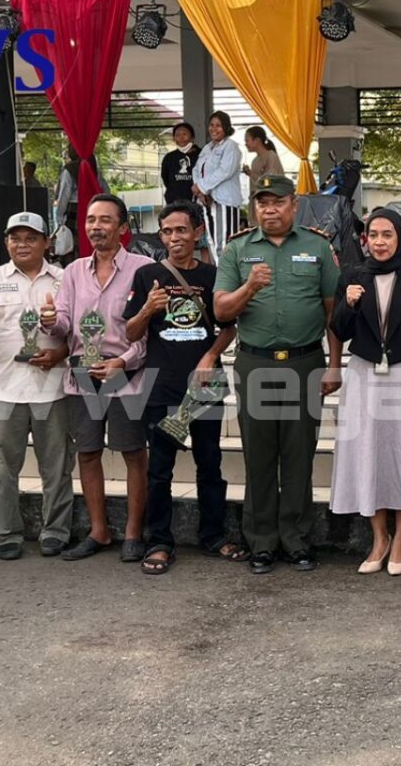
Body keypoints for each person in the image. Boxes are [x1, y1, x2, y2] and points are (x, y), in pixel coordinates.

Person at [213, 173, 343, 575]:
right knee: (260, 454)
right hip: (256, 363)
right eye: (263, 203)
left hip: (305, 363)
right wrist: (250, 287)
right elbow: (221, 311)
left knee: (299, 454)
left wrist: (335, 363)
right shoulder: (236, 250)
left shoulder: (318, 246)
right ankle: (262, 542)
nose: (270, 209)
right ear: (255, 208)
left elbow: (332, 311)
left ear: (294, 205)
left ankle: (297, 540)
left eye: (278, 202)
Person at [122, 201, 243, 576]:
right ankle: (159, 540)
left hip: (206, 383)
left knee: (211, 464)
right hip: (162, 385)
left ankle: (213, 534)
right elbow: (130, 332)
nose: (175, 237)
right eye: (167, 231)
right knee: (159, 469)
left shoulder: (214, 275)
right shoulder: (148, 277)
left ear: (197, 233)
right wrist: (148, 309)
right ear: (161, 236)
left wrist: (209, 357)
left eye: (181, 230)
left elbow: (229, 326)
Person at [41, 194, 153, 563]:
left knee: (133, 452)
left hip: (127, 371)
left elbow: (147, 331)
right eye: (91, 219)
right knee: (87, 452)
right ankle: (99, 531)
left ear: (123, 228)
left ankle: (134, 533)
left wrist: (122, 361)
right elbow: (63, 323)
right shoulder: (72, 272)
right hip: (83, 371)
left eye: (105, 220)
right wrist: (48, 320)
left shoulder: (143, 267)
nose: (96, 227)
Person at [0, 212, 75, 561]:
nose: (22, 244)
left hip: (52, 387)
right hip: (2, 388)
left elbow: (84, 332)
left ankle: (55, 531)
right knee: (1, 468)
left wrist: (59, 354)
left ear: (46, 242)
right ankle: (6, 533)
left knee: (57, 466)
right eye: (15, 238)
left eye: (30, 237)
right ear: (6, 241)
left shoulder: (66, 279)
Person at [329, 209, 401, 577]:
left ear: (399, 238)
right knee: (369, 453)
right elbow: (339, 330)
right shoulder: (352, 277)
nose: (379, 242)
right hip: (364, 373)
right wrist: (351, 303)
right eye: (373, 235)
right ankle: (379, 537)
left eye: (387, 235)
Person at [194, 111, 243, 262]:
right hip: (207, 201)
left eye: (219, 126)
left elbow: (225, 171)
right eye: (212, 125)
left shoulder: (231, 147)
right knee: (211, 242)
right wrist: (199, 190)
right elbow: (196, 169)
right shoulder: (207, 148)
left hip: (224, 201)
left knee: (224, 244)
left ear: (226, 128)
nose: (214, 129)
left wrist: (202, 187)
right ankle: (218, 278)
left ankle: (226, 281)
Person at [162, 121, 200, 206]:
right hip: (174, 203)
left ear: (192, 137)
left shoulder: (201, 155)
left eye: (184, 134)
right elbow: (165, 179)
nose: (181, 137)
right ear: (174, 139)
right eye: (177, 135)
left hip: (196, 203)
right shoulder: (169, 157)